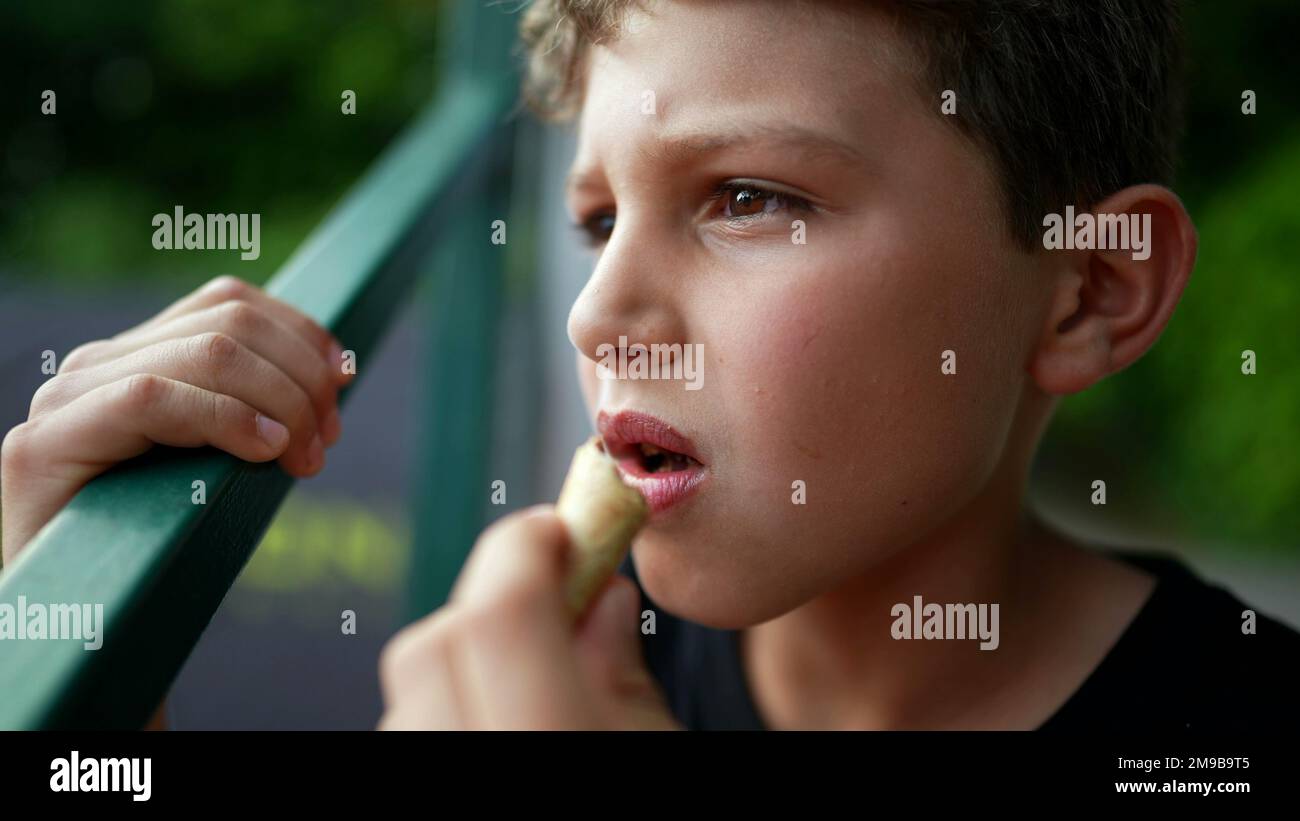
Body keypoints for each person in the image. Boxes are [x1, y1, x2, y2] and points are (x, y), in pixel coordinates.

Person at [4, 0, 1297, 730]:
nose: (599, 311)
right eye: (595, 219)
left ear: (1090, 290)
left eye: (746, 197)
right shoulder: (570, 647)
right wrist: (69, 656)